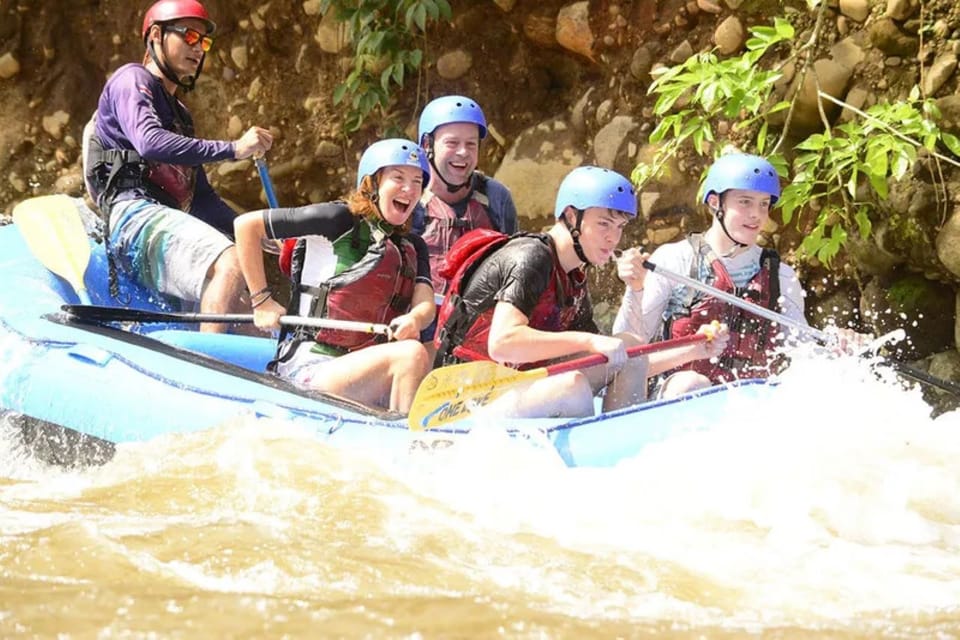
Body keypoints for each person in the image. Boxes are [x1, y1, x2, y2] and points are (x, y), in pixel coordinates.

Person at [432, 165, 728, 419]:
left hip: (511, 387)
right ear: (572, 217)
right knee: (571, 386)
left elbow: (615, 359)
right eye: (603, 224)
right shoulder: (531, 257)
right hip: (458, 398)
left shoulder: (573, 277)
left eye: (620, 227)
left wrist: (694, 350)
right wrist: (589, 340)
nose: (613, 238)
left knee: (630, 349)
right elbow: (502, 343)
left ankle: (620, 448)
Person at [83, 0, 273, 332]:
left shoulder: (181, 116)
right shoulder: (131, 79)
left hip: (163, 224)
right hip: (134, 217)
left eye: (204, 41)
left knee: (250, 318)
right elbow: (149, 142)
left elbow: (201, 200)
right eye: (189, 36)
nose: (198, 48)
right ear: (156, 35)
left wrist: (257, 231)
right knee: (231, 260)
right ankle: (207, 360)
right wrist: (234, 149)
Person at [233, 139, 435, 413]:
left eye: (417, 182)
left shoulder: (413, 246)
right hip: (310, 369)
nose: (409, 189)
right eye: (398, 178)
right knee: (411, 354)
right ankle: (402, 433)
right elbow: (246, 226)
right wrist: (261, 301)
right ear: (372, 184)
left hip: (364, 373)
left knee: (423, 351)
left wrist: (415, 319)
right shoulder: (337, 219)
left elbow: (425, 304)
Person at [612, 152, 808, 398]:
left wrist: (839, 349)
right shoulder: (675, 261)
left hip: (751, 402)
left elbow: (804, 352)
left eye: (763, 204)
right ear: (715, 202)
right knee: (691, 384)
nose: (756, 214)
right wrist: (635, 289)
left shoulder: (781, 276)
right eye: (745, 202)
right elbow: (626, 354)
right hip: (679, 394)